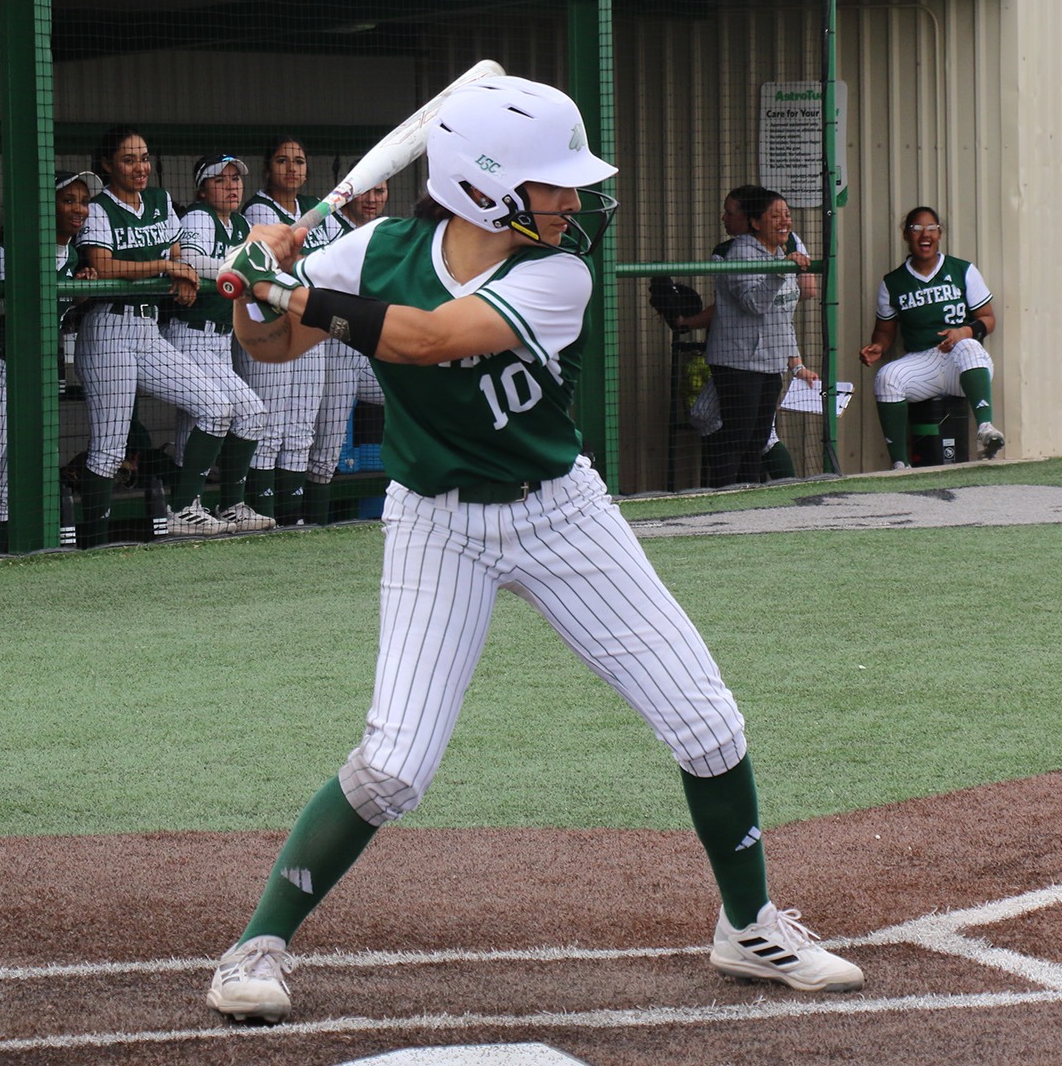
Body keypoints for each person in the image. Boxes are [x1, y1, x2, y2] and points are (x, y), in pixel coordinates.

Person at [208, 74, 864, 1025]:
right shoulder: (377, 250)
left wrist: (291, 284)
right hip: (437, 522)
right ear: (482, 185)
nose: (572, 200)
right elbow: (269, 348)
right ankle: (255, 946)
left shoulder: (558, 273)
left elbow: (431, 339)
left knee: (708, 723)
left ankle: (749, 923)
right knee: (393, 767)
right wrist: (255, 286)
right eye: (552, 184)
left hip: (561, 512)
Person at [74, 126, 237, 545]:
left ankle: (184, 509)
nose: (140, 167)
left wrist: (180, 271)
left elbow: (177, 252)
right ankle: (92, 543)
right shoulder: (99, 207)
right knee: (110, 448)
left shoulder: (161, 200)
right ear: (108, 165)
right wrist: (164, 268)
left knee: (217, 408)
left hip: (148, 330)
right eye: (129, 160)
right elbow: (102, 265)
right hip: (108, 329)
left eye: (144, 157)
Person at [0, 170, 105, 560]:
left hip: (36, 377)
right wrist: (13, 296)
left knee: (5, 491)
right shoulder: (5, 251)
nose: (78, 208)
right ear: (45, 207)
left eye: (83, 201)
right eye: (68, 200)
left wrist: (79, 291)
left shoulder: (74, 256)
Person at [674, 185, 818, 484]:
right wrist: (780, 271)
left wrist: (797, 365)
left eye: (787, 215)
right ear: (755, 222)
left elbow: (782, 315)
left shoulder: (780, 254)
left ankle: (751, 499)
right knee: (736, 438)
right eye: (775, 216)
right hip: (738, 363)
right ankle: (724, 498)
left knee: (758, 440)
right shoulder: (740, 252)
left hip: (771, 363)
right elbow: (753, 302)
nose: (784, 222)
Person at [237, 136, 347, 525]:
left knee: (301, 427)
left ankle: (292, 520)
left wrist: (304, 261)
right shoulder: (257, 211)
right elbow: (271, 266)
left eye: (299, 161)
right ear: (268, 168)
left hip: (310, 323)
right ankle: (261, 515)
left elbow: (332, 263)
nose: (292, 168)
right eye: (282, 161)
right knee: (270, 426)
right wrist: (304, 262)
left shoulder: (316, 211)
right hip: (270, 323)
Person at [163, 154, 273, 532]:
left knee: (253, 413)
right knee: (212, 412)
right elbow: (191, 261)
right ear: (202, 188)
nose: (231, 186)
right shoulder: (198, 217)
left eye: (235, 179)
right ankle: (184, 508)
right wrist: (237, 269)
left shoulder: (240, 223)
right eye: (220, 180)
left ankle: (231, 505)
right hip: (190, 335)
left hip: (221, 341)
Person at [859, 205, 1005, 469]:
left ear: (939, 234)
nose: (924, 235)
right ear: (906, 235)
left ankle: (985, 427)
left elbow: (988, 319)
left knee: (969, 346)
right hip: (922, 362)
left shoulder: (962, 270)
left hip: (960, 363)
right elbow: (884, 331)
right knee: (886, 378)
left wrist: (963, 331)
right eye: (916, 229)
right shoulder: (893, 282)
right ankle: (900, 466)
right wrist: (878, 347)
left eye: (931, 228)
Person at [301, 180, 390, 525]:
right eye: (367, 191)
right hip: (333, 351)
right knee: (325, 450)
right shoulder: (330, 228)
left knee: (410, 389)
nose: (372, 199)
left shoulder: (384, 231)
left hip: (364, 354)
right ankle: (308, 525)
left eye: (380, 192)